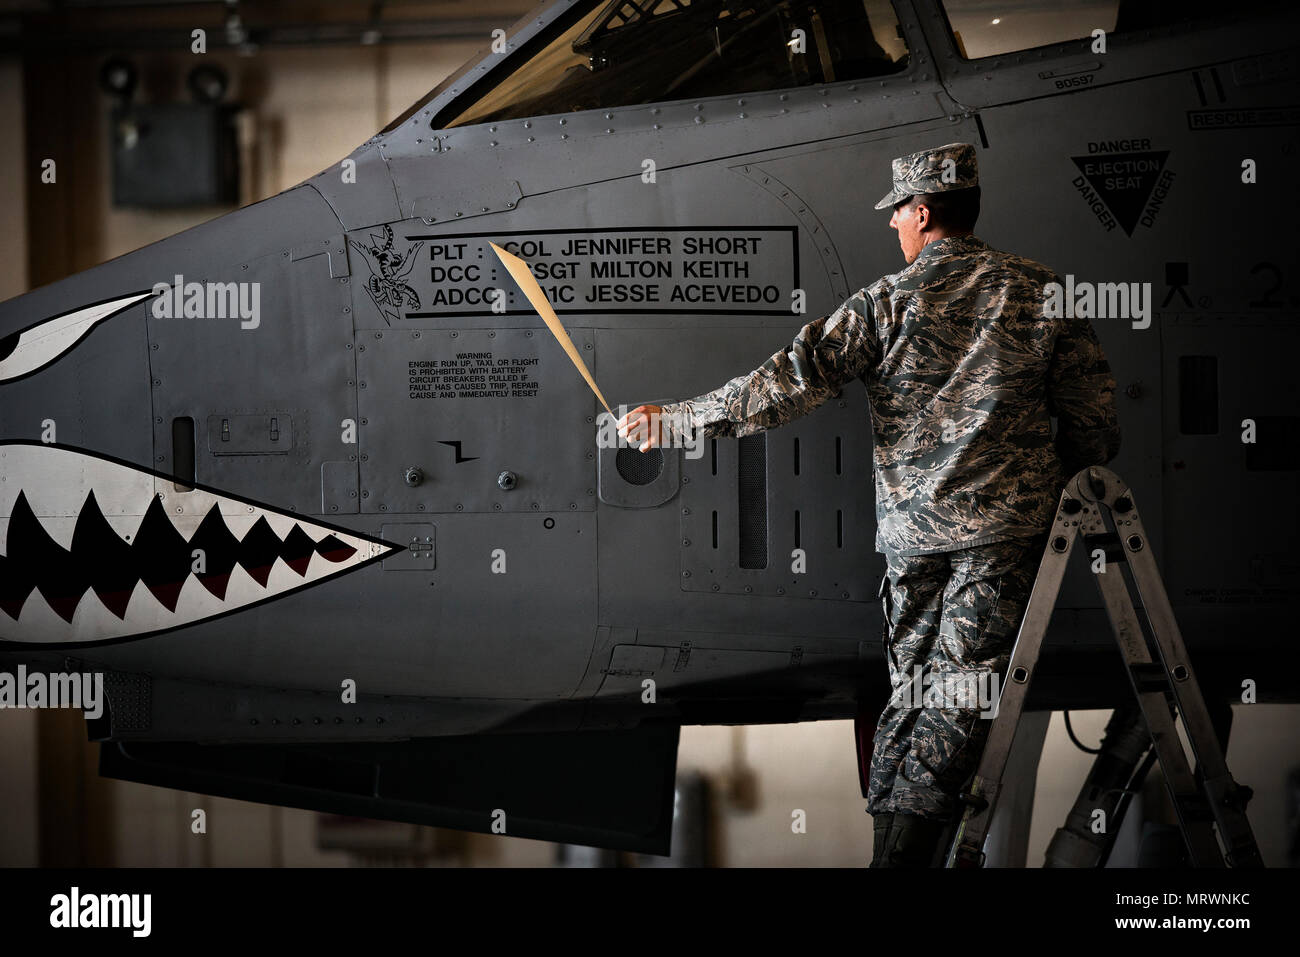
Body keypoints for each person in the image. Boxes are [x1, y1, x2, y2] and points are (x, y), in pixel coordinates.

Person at [616, 142, 1121, 867]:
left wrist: (677, 419)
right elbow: (1095, 423)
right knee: (958, 696)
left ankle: (894, 854)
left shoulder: (885, 304)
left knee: (913, 695)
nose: (892, 228)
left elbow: (783, 384)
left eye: (898, 214)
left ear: (923, 211)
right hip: (1004, 536)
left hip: (914, 541)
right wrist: (1056, 475)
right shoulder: (1042, 290)